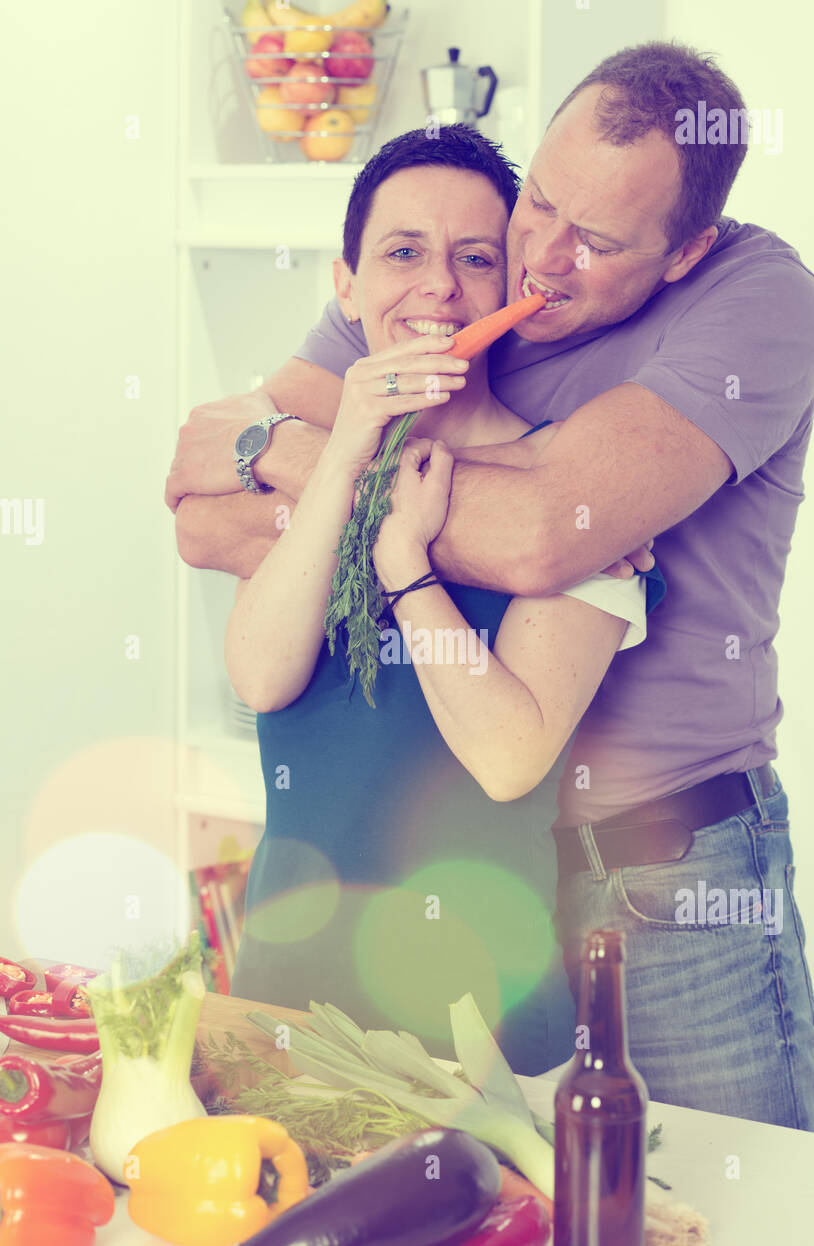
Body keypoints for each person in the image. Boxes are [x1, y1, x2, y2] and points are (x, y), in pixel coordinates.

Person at [168, 41, 814, 1131]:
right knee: (531, 1223)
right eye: (541, 207)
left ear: (683, 252)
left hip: (664, 876)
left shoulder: (754, 300)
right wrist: (326, 462)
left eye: (598, 240)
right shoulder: (447, 274)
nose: (540, 263)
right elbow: (211, 493)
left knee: (737, 1227)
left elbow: (537, 539)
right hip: (487, 869)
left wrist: (345, 476)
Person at [222, 125, 666, 1076]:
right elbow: (261, 675)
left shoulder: (566, 497)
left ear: (513, 288)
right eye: (403, 254)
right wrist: (345, 451)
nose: (439, 288)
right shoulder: (313, 465)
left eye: (475, 258)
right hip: (278, 1013)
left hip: (478, 1040)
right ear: (346, 286)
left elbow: (508, 758)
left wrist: (404, 565)